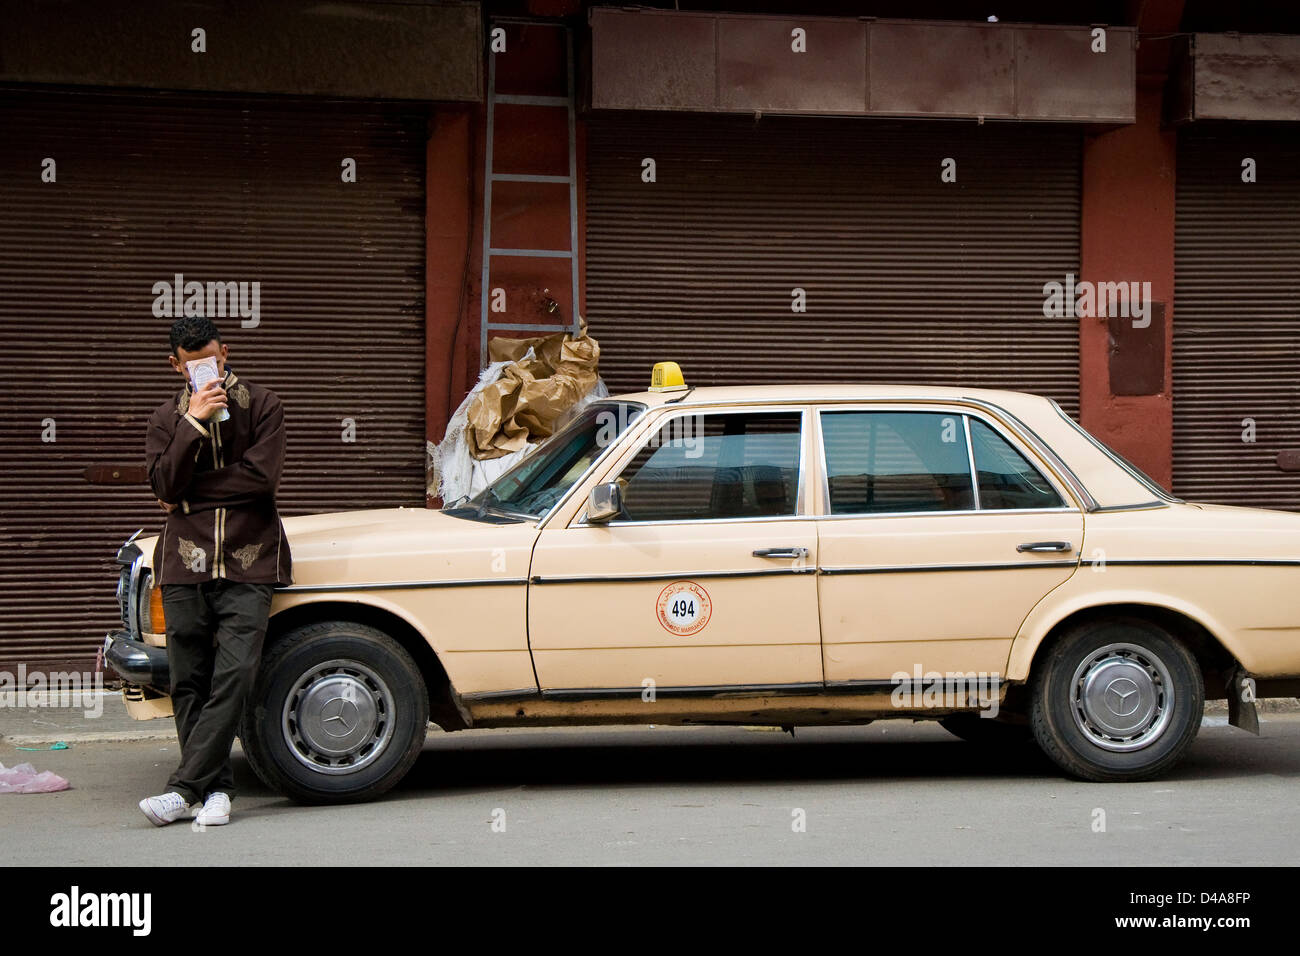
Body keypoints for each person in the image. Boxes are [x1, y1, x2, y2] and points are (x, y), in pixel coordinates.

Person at [137, 316, 292, 827]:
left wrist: (182, 496)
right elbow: (161, 477)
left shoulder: (262, 405)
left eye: (212, 359)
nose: (206, 370)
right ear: (175, 365)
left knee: (237, 673)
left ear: (225, 353)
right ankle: (216, 791)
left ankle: (182, 788)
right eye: (193, 364)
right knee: (188, 680)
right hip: (184, 562)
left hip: (251, 559)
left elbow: (259, 480)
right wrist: (193, 425)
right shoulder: (166, 418)